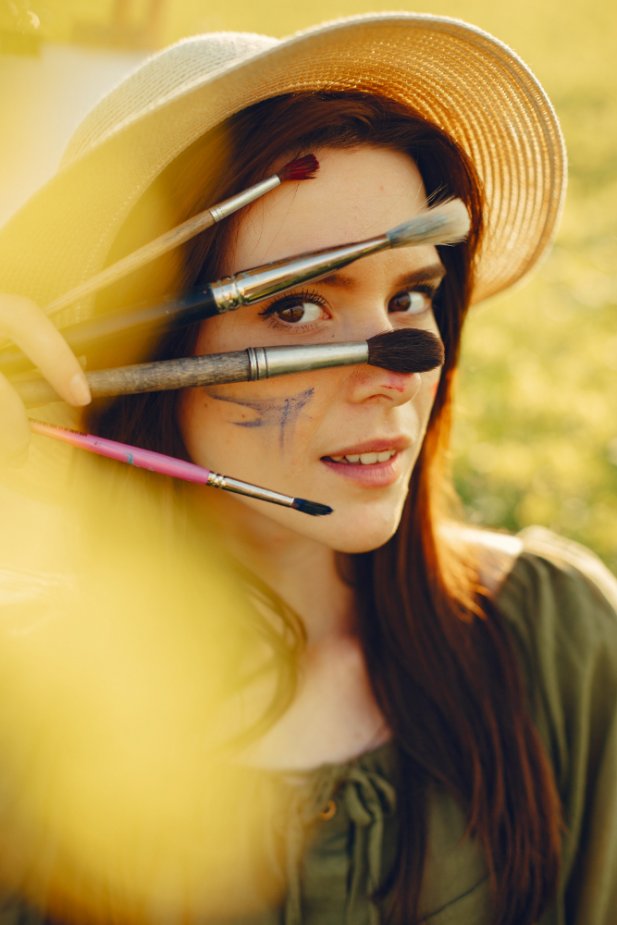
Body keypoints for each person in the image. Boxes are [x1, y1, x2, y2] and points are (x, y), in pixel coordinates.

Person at [0, 12, 616, 925]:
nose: (391, 370)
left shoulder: (557, 642)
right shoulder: (26, 706)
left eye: (411, 294)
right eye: (294, 308)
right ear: (133, 353)